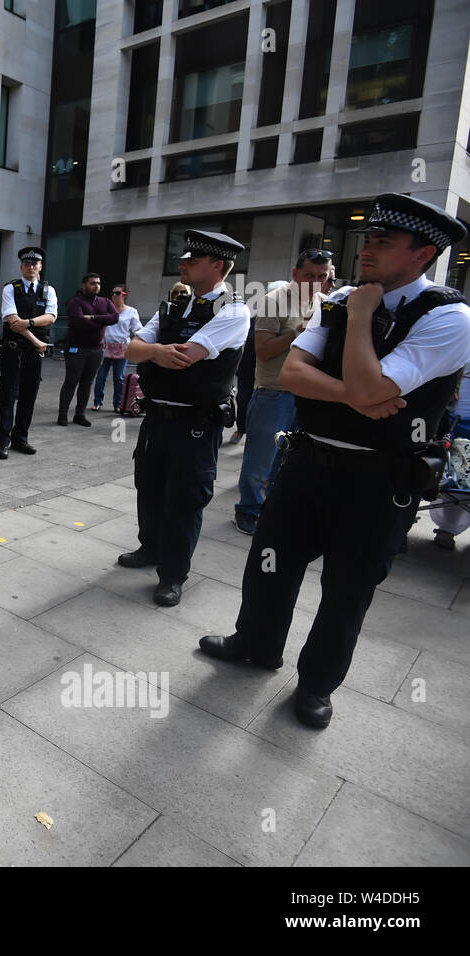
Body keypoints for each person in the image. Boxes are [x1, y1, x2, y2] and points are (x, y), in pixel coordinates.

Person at [201, 194, 470, 728]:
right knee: (270, 565)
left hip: (379, 479)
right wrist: (359, 395)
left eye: (383, 242)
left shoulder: (450, 316)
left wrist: (364, 321)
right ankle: (256, 643)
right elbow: (295, 374)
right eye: (368, 238)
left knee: (347, 589)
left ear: (423, 253)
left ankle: (317, 684)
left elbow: (373, 384)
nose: (366, 249)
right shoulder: (340, 295)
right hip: (307, 461)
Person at [118, 230, 251, 607]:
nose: (182, 265)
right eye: (184, 259)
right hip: (157, 416)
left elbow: (186, 356)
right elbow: (131, 348)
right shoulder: (173, 307)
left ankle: (173, 575)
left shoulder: (234, 311)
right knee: (150, 486)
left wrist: (154, 352)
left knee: (184, 499)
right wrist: (156, 350)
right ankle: (151, 548)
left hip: (195, 422)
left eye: (192, 261)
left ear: (218, 266)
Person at [231, 250, 331, 534]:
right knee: (261, 460)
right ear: (295, 274)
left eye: (322, 277)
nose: (315, 282)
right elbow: (262, 352)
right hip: (273, 393)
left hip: (307, 395)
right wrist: (300, 329)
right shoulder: (274, 300)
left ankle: (272, 510)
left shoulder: (324, 302)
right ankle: (248, 510)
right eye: (309, 275)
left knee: (289, 462)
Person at [0, 246, 57, 458]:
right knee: (8, 395)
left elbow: (51, 317)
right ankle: (2, 441)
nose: (31, 267)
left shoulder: (49, 290)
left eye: (34, 263)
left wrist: (28, 322)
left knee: (29, 396)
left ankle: (21, 438)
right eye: (27, 263)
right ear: (21, 266)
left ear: (40, 267)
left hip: (34, 353)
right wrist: (36, 338)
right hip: (14, 350)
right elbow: (12, 322)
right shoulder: (10, 288)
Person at [59, 273, 118, 426]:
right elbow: (79, 322)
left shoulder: (105, 301)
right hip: (76, 348)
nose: (96, 286)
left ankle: (80, 414)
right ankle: (63, 414)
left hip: (96, 350)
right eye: (92, 283)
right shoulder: (75, 302)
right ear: (84, 285)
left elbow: (115, 317)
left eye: (98, 283)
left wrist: (92, 317)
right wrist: (102, 322)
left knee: (87, 383)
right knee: (71, 381)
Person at [430, 364, 470, 549]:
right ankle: (447, 528)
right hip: (457, 421)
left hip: (457, 418)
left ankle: (448, 528)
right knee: (453, 475)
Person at [93, 284, 141, 412]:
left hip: (122, 347)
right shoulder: (107, 309)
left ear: (125, 295)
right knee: (101, 376)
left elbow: (138, 329)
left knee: (118, 377)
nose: (114, 295)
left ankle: (118, 403)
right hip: (106, 346)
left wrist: (142, 340)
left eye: (118, 293)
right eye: (113, 293)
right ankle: (98, 401)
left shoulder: (131, 311)